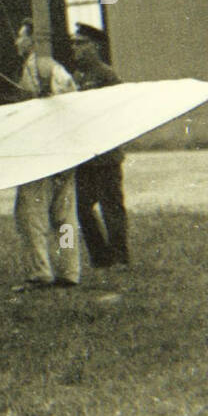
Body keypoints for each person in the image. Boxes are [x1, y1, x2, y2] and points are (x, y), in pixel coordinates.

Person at [11, 18, 80, 290]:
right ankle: (70, 270)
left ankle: (40, 272)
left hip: (41, 153)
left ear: (32, 40)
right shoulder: (58, 69)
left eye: (21, 36)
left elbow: (30, 109)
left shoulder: (34, 67)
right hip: (65, 150)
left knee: (32, 215)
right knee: (65, 217)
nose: (17, 42)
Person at [71, 23, 129, 267]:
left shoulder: (107, 75)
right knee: (82, 208)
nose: (75, 48)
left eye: (80, 43)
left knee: (111, 207)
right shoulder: (76, 77)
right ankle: (101, 257)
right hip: (86, 155)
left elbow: (119, 110)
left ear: (94, 46)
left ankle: (120, 257)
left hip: (106, 155)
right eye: (74, 43)